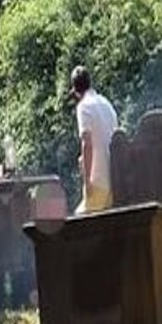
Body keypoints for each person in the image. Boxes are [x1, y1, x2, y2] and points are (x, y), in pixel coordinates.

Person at [69, 65, 118, 214]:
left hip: (98, 180)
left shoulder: (83, 107)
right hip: (115, 177)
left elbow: (87, 144)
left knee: (79, 225)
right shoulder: (106, 103)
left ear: (76, 91)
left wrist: (87, 182)